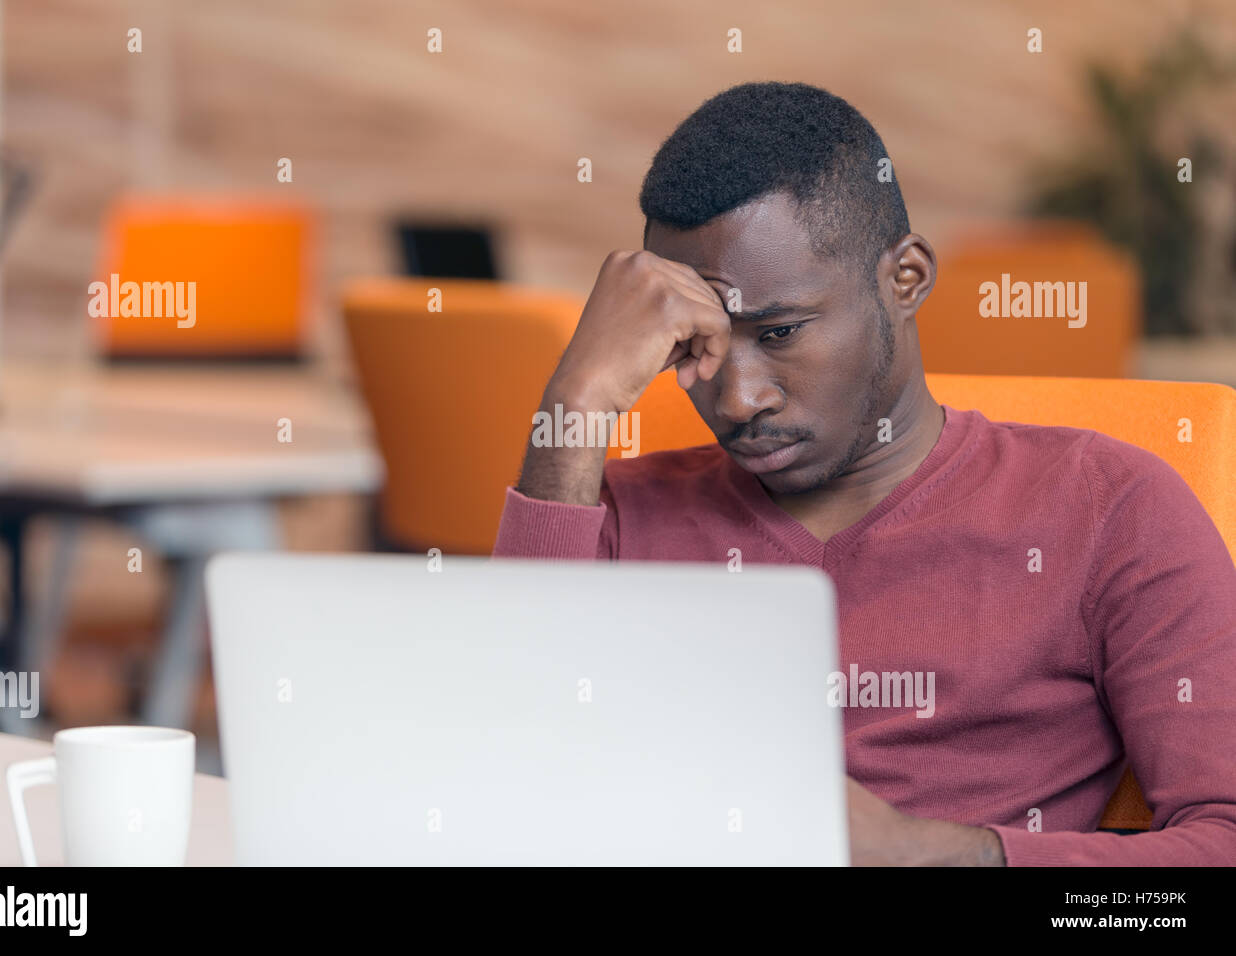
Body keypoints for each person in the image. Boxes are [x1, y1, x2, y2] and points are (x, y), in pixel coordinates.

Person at [493, 81, 1236, 866]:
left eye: (779, 332)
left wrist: (940, 854)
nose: (737, 398)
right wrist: (577, 398)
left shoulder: (1106, 507)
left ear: (905, 279)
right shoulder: (615, 516)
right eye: (693, 347)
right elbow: (494, 787)